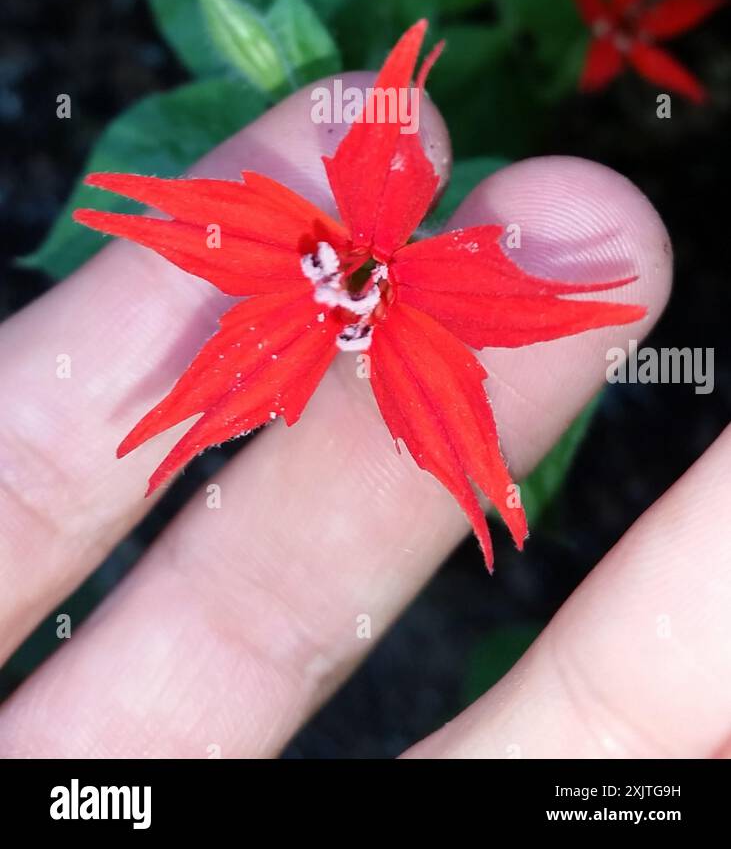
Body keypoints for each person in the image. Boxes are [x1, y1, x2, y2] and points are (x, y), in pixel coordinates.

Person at [0, 75, 727, 759]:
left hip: (392, 270)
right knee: (194, 415)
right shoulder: (312, 279)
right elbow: (195, 233)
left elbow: (487, 333)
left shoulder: (378, 270)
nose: (351, 286)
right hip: (333, 277)